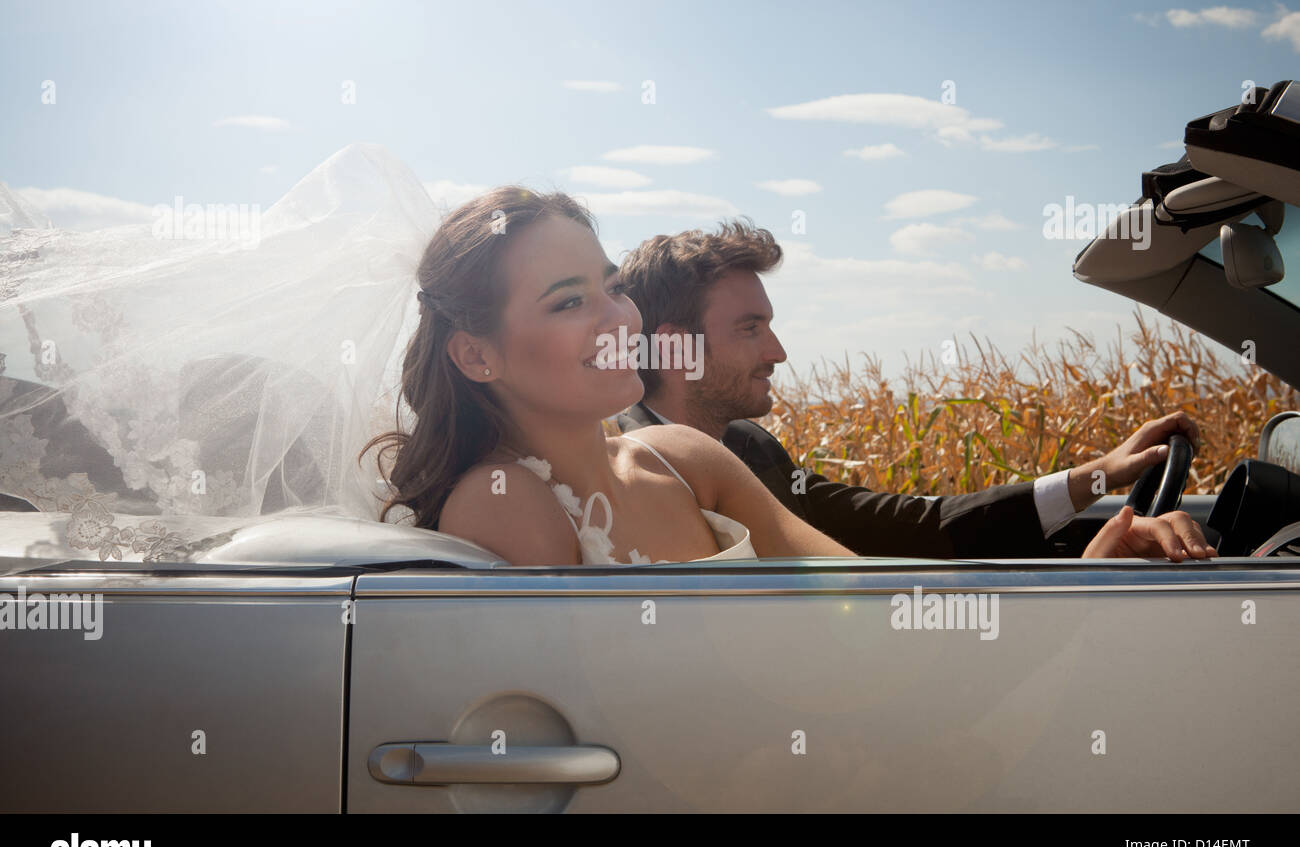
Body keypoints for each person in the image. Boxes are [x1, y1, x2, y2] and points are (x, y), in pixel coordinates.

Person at [365, 188, 1213, 566]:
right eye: (566, 301)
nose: (612, 317)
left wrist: (1087, 565)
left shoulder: (689, 458)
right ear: (475, 353)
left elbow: (869, 589)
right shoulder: (505, 501)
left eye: (610, 284)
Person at [614, 219, 1215, 562]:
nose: (778, 352)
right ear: (674, 347)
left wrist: (1099, 474)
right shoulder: (641, 476)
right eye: (751, 329)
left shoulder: (750, 446)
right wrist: (1085, 584)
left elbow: (916, 526)